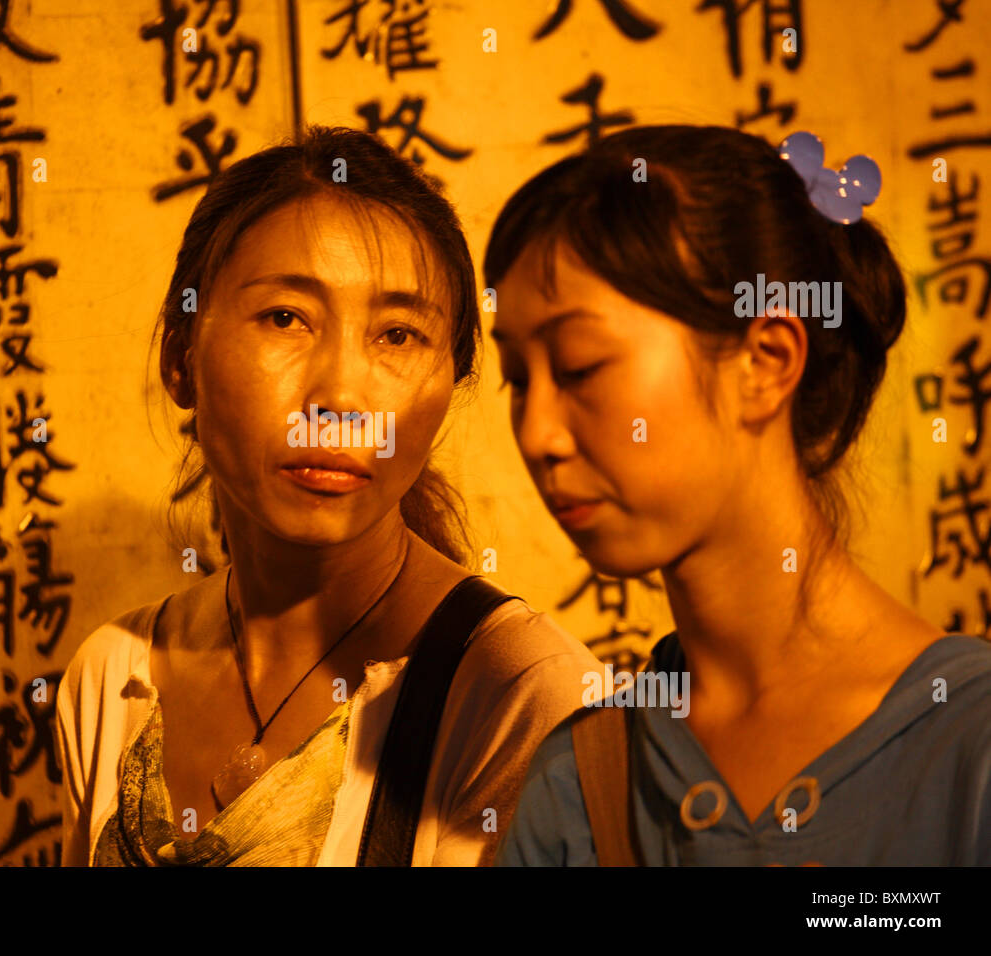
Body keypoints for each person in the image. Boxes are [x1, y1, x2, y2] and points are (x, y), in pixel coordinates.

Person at [55, 125, 601, 867]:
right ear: (181, 359)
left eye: (398, 335)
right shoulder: (113, 675)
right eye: (285, 318)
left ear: (452, 385)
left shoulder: (523, 697)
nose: (342, 395)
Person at [486, 124, 991, 866]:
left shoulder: (967, 742)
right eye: (517, 380)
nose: (538, 434)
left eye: (580, 367)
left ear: (764, 361)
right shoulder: (580, 781)